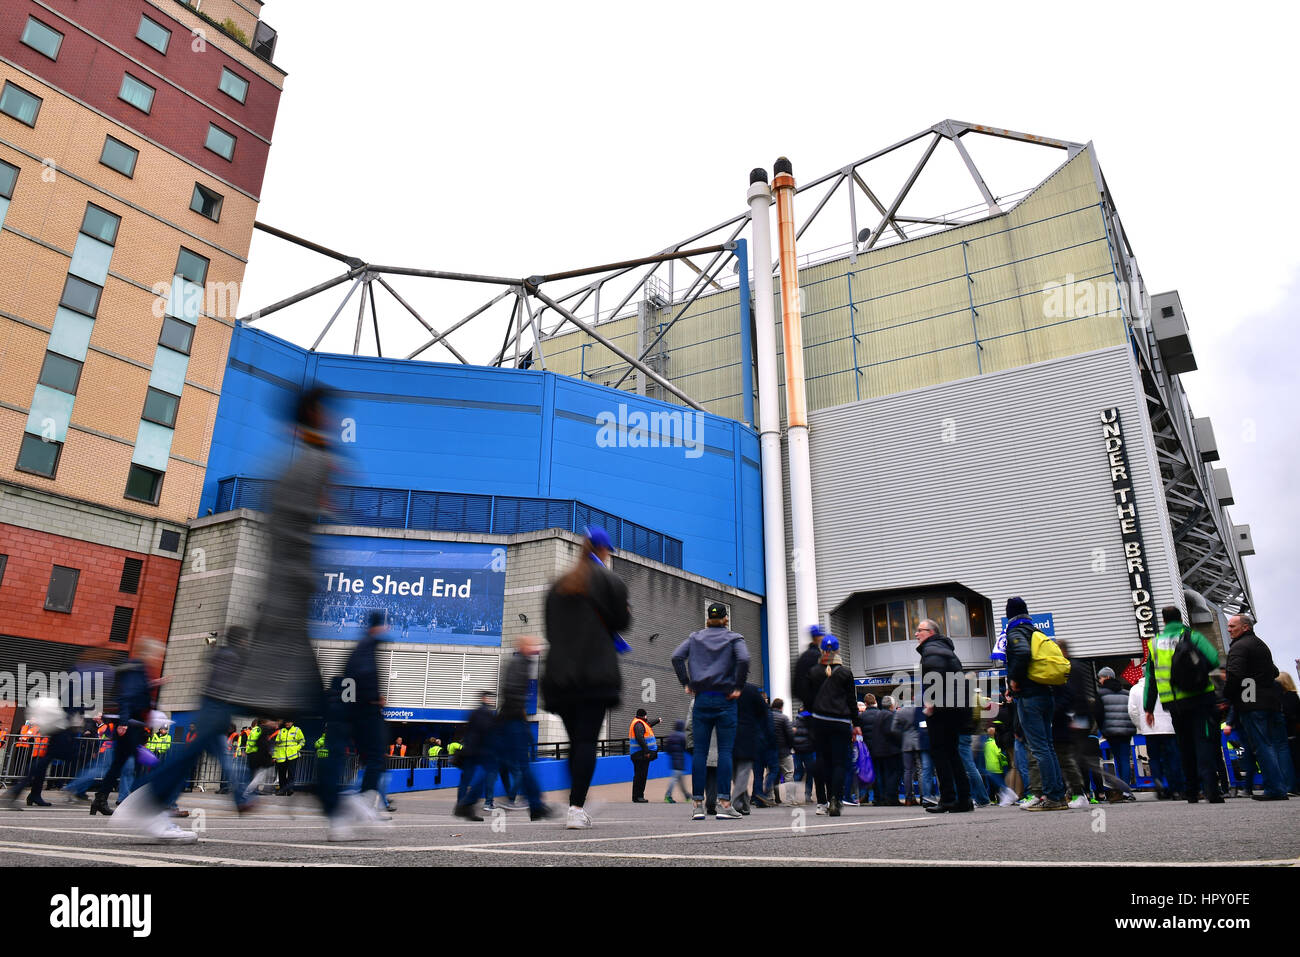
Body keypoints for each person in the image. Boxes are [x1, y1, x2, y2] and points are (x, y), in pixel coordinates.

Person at [542, 527, 630, 829]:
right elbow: (623, 622)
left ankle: (575, 802)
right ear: (604, 551)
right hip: (595, 675)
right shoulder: (611, 582)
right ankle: (576, 808)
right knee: (586, 742)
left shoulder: (559, 585)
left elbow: (551, 632)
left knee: (575, 741)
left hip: (560, 676)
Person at [671, 601, 750, 821]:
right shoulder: (735, 638)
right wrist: (738, 686)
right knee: (725, 751)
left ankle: (697, 805)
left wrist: (686, 682)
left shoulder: (695, 638)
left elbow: (676, 656)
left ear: (708, 618)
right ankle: (724, 804)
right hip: (725, 699)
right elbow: (744, 659)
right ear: (726, 619)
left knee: (700, 752)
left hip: (702, 698)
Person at [1145, 607, 1222, 804]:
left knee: (1184, 745)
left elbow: (1150, 679)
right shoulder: (1192, 636)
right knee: (1203, 742)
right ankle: (1211, 790)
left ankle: (1191, 791)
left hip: (1174, 703)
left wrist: (1148, 706)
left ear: (1163, 621)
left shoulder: (1154, 644)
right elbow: (1213, 659)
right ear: (1181, 618)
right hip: (1199, 697)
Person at [1004, 597, 1068, 810]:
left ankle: (1051, 797)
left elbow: (1021, 653)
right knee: (1047, 747)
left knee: (1039, 748)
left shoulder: (1015, 631)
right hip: (1045, 693)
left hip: (1029, 696)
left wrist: (1013, 679)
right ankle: (1057, 794)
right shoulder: (1035, 632)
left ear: (1009, 614)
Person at [1224, 614, 1291, 800]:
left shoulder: (1239, 647)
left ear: (1245, 627)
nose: (1229, 629)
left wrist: (1229, 695)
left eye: (1232, 626)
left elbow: (1235, 676)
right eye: (1228, 626)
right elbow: (1274, 671)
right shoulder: (1261, 645)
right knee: (1279, 746)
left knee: (1262, 746)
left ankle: (1275, 789)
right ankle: (1286, 785)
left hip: (1252, 703)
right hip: (1272, 702)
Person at [914, 619, 972, 814]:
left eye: (919, 630)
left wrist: (930, 702)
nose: (916, 634)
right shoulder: (946, 648)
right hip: (956, 706)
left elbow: (936, 673)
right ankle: (964, 800)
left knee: (940, 752)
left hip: (942, 708)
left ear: (930, 632)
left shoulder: (931, 649)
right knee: (953, 753)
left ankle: (947, 799)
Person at [497, 634, 551, 820]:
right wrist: (520, 716)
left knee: (519, 764)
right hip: (513, 720)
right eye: (532, 644)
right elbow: (511, 692)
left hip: (513, 719)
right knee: (520, 764)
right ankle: (531, 803)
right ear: (523, 646)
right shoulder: (519, 663)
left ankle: (534, 805)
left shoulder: (525, 663)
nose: (536, 647)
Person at [806, 634, 857, 817]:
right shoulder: (845, 672)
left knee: (823, 761)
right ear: (837, 650)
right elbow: (852, 701)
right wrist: (856, 723)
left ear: (822, 650)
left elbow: (809, 699)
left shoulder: (814, 672)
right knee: (839, 763)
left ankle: (823, 801)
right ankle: (836, 798)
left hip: (820, 721)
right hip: (841, 722)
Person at [1128, 665, 1185, 799]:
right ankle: (1176, 787)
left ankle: (1159, 782)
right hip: (1169, 727)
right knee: (1172, 758)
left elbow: (1132, 711)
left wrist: (1141, 725)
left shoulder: (1135, 689)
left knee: (1154, 758)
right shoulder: (1167, 685)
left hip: (1149, 729)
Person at [730, 684, 769, 814]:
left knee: (736, 774)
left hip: (728, 734)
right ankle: (738, 804)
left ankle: (742, 805)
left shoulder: (723, 688)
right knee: (743, 772)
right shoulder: (751, 690)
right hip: (747, 735)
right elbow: (763, 711)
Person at [1097, 666, 1136, 792]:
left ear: (1107, 677)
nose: (1100, 680)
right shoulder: (1126, 693)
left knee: (1117, 758)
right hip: (1126, 730)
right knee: (1124, 758)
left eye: (1101, 677)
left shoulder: (1101, 693)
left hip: (1111, 731)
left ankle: (1121, 788)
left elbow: (1099, 713)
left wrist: (1101, 728)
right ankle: (1126, 789)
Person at [862, 695, 903, 806]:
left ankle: (880, 797)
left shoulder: (877, 714)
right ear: (892, 705)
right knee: (892, 774)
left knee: (880, 774)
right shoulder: (889, 715)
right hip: (889, 749)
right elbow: (891, 732)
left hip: (875, 749)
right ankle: (890, 797)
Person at [764, 698, 794, 805]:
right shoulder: (784, 718)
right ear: (781, 707)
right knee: (788, 774)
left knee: (770, 774)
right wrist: (790, 747)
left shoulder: (767, 718)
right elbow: (790, 735)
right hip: (784, 751)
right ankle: (790, 799)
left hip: (770, 751)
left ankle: (769, 797)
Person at [628, 709, 658, 803]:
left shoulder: (639, 722)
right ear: (644, 716)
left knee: (639, 775)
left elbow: (649, 723)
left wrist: (657, 720)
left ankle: (637, 796)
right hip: (640, 754)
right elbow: (639, 737)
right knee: (641, 776)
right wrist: (646, 751)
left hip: (638, 754)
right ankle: (638, 796)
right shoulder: (639, 724)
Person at [790, 709, 816, 805]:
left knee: (797, 774)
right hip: (809, 751)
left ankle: (794, 797)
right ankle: (807, 796)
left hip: (797, 752)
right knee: (810, 773)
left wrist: (793, 747)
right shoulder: (811, 722)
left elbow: (790, 736)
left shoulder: (794, 723)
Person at [273, 719, 304, 796]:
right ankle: (282, 790)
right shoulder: (281, 731)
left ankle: (289, 789)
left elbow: (302, 741)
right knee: (281, 774)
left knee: (291, 773)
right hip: (281, 756)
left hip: (292, 755)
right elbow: (276, 744)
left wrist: (297, 748)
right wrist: (274, 756)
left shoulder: (297, 730)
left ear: (292, 722)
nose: (287, 723)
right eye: (286, 722)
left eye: (289, 722)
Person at [662, 720, 690, 803]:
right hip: (680, 759)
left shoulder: (671, 736)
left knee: (679, 778)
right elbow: (686, 747)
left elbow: (667, 749)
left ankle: (686, 795)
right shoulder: (682, 736)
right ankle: (668, 795)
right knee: (675, 778)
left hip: (673, 759)